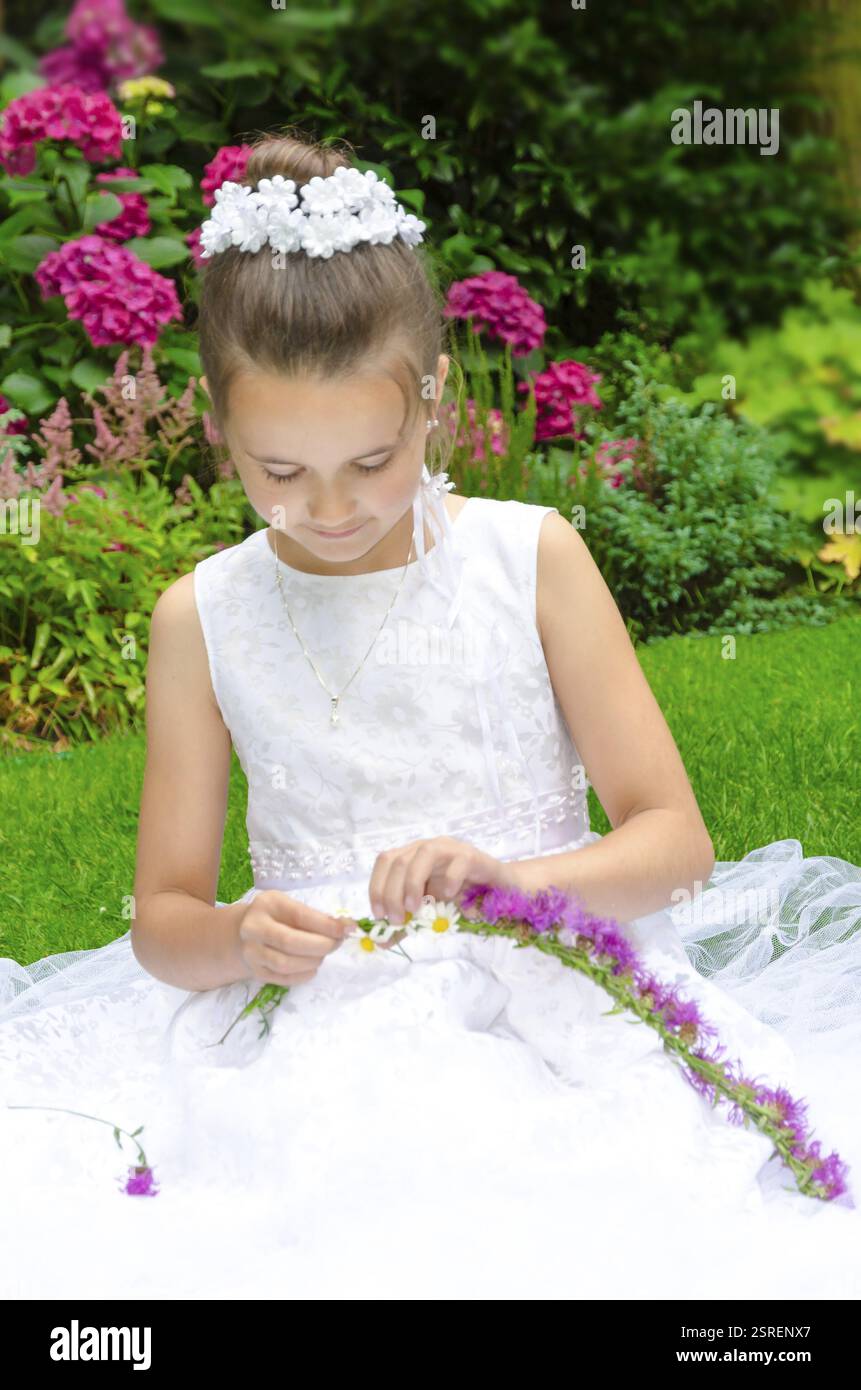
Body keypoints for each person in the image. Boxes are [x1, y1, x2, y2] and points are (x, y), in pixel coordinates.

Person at [1, 133, 860, 1301]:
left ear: (435, 400)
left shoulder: (530, 560)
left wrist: (507, 879)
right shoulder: (201, 617)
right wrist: (238, 934)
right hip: (325, 1038)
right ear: (215, 426)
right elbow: (162, 917)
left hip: (556, 1005)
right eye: (280, 471)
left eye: (372, 457)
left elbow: (675, 845)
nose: (332, 507)